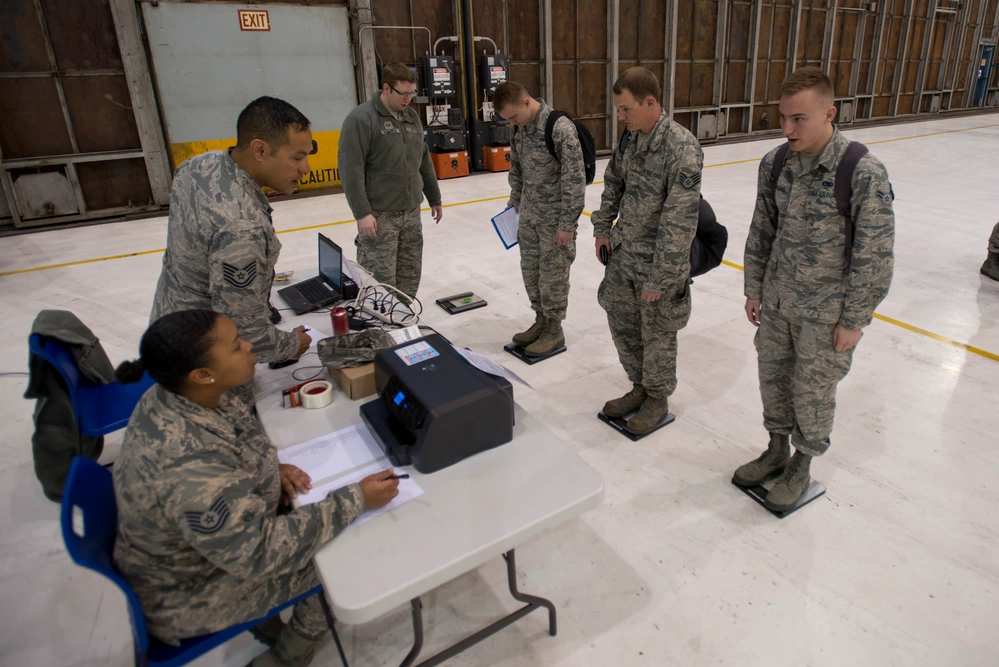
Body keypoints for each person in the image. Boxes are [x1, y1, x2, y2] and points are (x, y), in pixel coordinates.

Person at [112, 309, 400, 667]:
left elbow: (234, 442)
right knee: (341, 555)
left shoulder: (184, 395)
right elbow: (259, 553)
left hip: (202, 552)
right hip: (191, 592)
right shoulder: (187, 468)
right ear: (202, 374)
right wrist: (355, 499)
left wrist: (268, 469)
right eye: (235, 346)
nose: (249, 346)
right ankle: (290, 653)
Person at [737, 67, 895, 511]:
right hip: (779, 301)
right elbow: (762, 229)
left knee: (813, 391)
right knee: (773, 379)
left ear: (830, 113)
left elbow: (875, 254)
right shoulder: (776, 163)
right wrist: (754, 288)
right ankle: (775, 449)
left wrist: (855, 320)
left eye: (798, 119)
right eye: (782, 117)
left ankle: (802, 463)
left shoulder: (861, 171)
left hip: (826, 315)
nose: (787, 129)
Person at [149, 97, 313, 406]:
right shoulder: (242, 226)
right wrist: (294, 344)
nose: (305, 168)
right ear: (260, 150)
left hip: (168, 332)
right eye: (297, 157)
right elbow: (246, 328)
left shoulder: (199, 165)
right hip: (207, 367)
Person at [590, 67, 704, 435]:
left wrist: (662, 276)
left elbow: (680, 220)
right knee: (621, 322)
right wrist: (601, 229)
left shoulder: (681, 148)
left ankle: (657, 397)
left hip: (658, 262)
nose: (621, 117)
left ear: (650, 102)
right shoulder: (630, 138)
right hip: (624, 254)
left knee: (657, 334)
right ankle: (638, 386)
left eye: (626, 109)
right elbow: (613, 182)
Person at [338, 62, 444, 301]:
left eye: (412, 93)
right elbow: (350, 168)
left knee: (409, 273)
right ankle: (382, 330)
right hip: (379, 215)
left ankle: (404, 320)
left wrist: (434, 198)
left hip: (410, 213)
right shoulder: (361, 119)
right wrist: (362, 213)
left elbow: (423, 159)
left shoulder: (411, 117)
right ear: (386, 88)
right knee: (379, 278)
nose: (408, 99)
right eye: (403, 93)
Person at [494, 81, 585, 356]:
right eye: (506, 119)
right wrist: (515, 195)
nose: (511, 122)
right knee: (531, 272)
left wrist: (567, 224)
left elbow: (575, 179)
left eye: (512, 116)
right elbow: (518, 167)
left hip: (555, 221)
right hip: (529, 216)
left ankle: (554, 329)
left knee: (553, 277)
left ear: (526, 102)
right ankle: (541, 321)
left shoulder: (559, 128)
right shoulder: (519, 129)